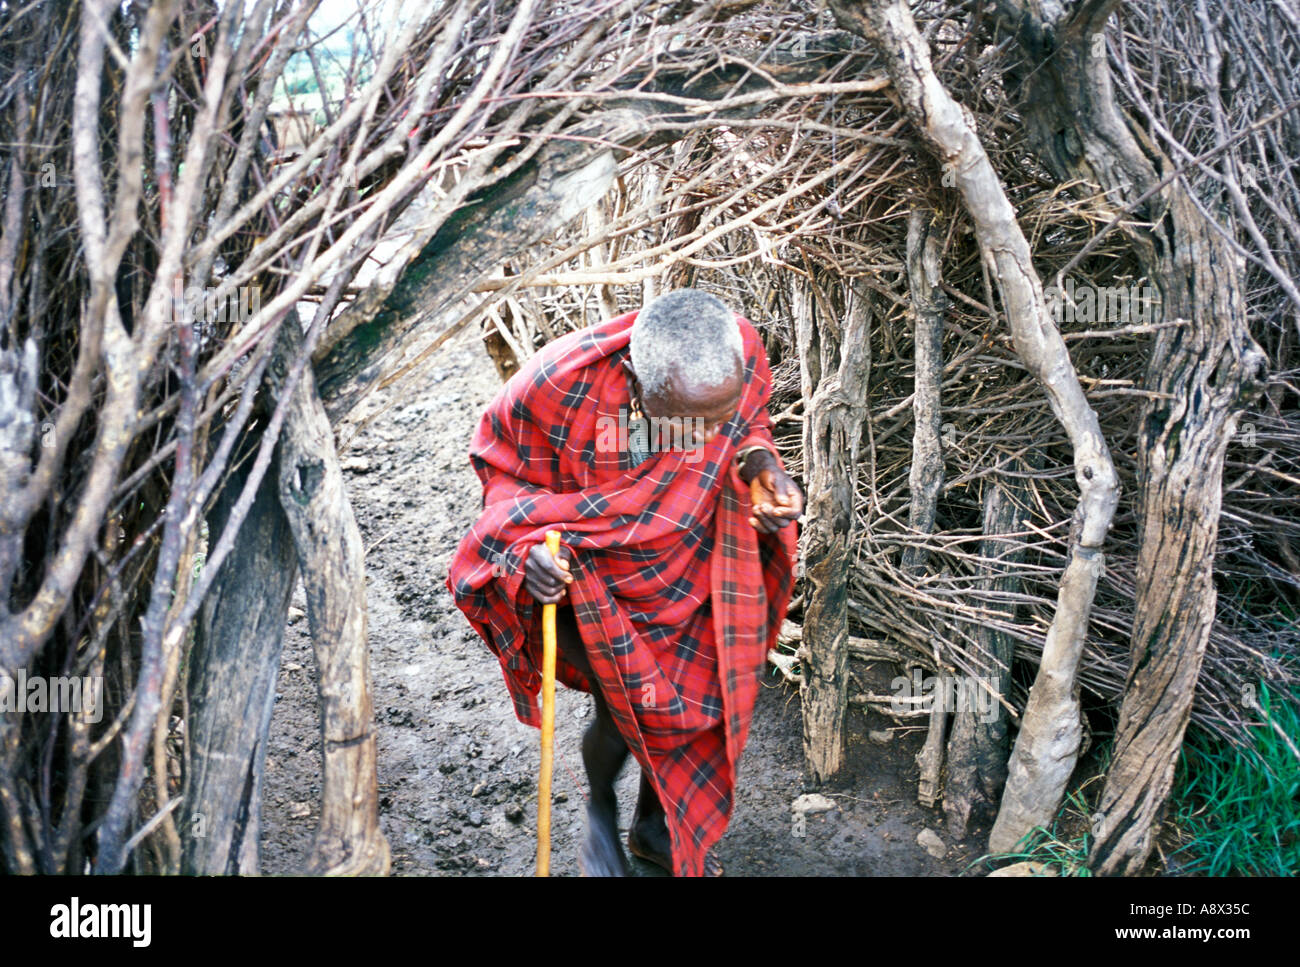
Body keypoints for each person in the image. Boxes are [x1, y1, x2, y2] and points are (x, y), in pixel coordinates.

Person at [447, 288, 802, 876]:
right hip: (600, 584)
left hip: (695, 558)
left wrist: (764, 468)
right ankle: (600, 812)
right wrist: (528, 553)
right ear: (634, 381)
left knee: (703, 702)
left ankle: (654, 828)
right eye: (684, 423)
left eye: (713, 419)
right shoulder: (556, 385)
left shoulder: (738, 350)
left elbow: (748, 430)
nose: (699, 440)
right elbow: (505, 477)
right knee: (627, 709)